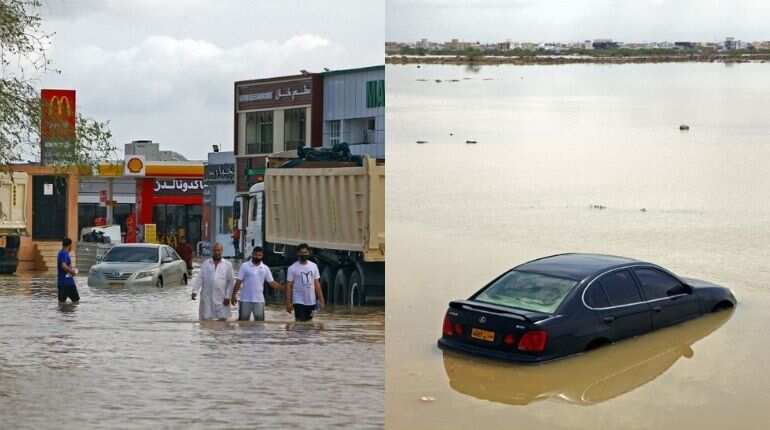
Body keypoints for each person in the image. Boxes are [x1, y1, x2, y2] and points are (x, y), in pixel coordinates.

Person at [231, 247, 283, 321]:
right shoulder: (244, 266)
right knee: (243, 324)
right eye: (256, 255)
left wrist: (284, 288)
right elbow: (238, 281)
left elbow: (272, 283)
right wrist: (233, 295)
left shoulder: (265, 268)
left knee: (260, 324)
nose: (257, 257)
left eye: (259, 255)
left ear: (262, 256)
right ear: (252, 254)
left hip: (259, 300)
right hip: (245, 300)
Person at [190, 243, 234, 321]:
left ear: (222, 251)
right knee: (206, 320)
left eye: (219, 250)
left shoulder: (228, 265)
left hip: (222, 297)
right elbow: (200, 278)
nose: (217, 252)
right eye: (215, 250)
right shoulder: (206, 264)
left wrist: (228, 296)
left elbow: (230, 282)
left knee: (222, 321)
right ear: (212, 251)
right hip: (207, 296)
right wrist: (194, 291)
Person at [285, 243, 325, 321]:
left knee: (309, 322)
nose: (303, 254)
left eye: (305, 252)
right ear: (298, 253)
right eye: (301, 252)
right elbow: (289, 286)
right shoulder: (292, 268)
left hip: (311, 301)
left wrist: (321, 300)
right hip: (298, 300)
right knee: (300, 322)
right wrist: (288, 303)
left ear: (309, 253)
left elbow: (317, 284)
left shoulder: (314, 266)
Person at [57, 238, 80, 304]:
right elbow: (63, 266)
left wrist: (72, 271)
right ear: (69, 245)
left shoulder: (65, 253)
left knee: (74, 302)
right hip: (64, 283)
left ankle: (67, 314)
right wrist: (72, 271)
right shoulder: (63, 253)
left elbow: (67, 267)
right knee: (74, 302)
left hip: (69, 282)